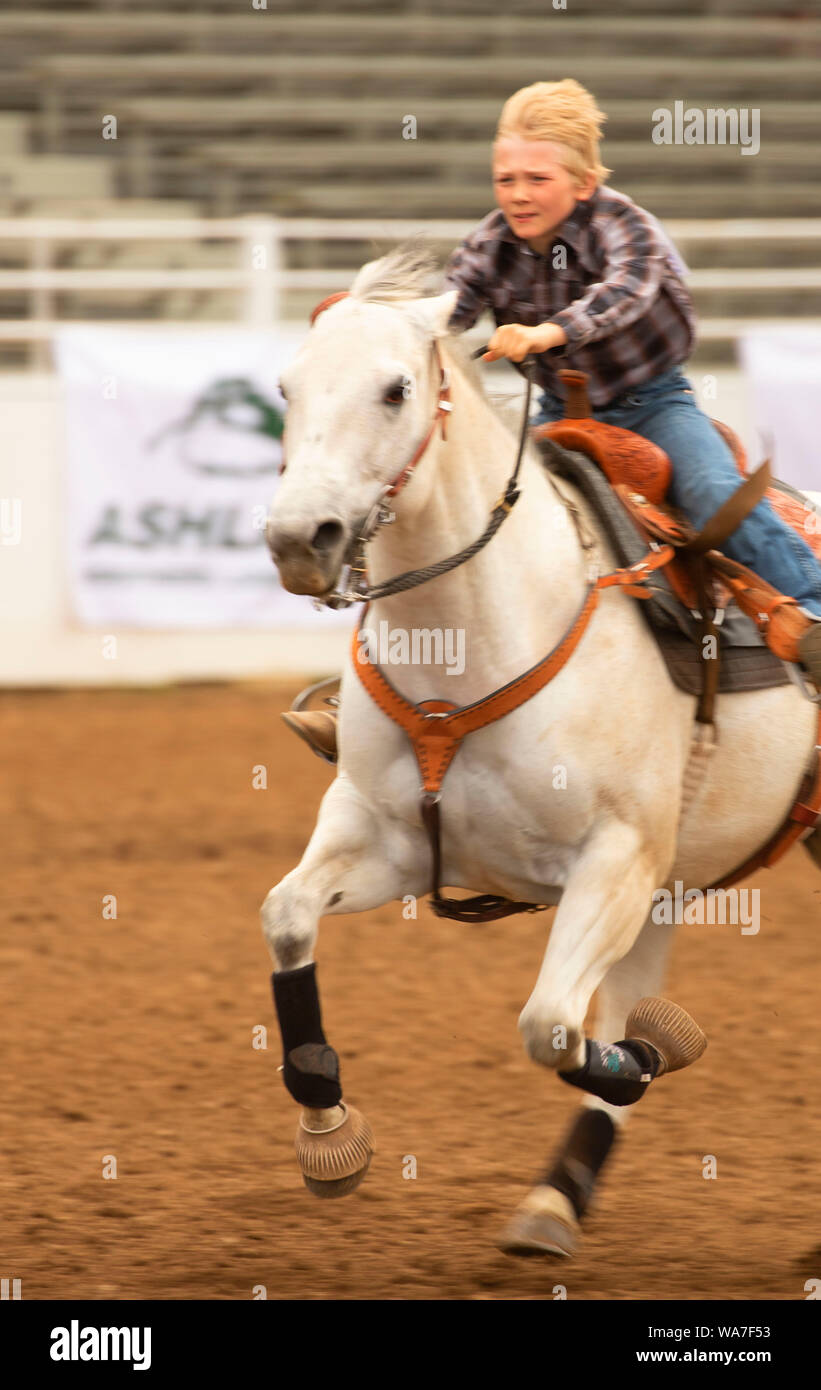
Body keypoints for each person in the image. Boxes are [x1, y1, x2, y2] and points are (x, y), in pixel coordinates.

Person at [285, 77, 821, 762]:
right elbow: (453, 309)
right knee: (475, 521)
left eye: (536, 178)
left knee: (714, 493)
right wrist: (375, 328)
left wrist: (545, 334)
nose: (516, 193)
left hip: (652, 405)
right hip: (555, 410)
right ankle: (372, 698)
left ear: (585, 181)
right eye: (504, 177)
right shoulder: (490, 241)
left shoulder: (626, 227)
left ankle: (810, 612)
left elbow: (623, 293)